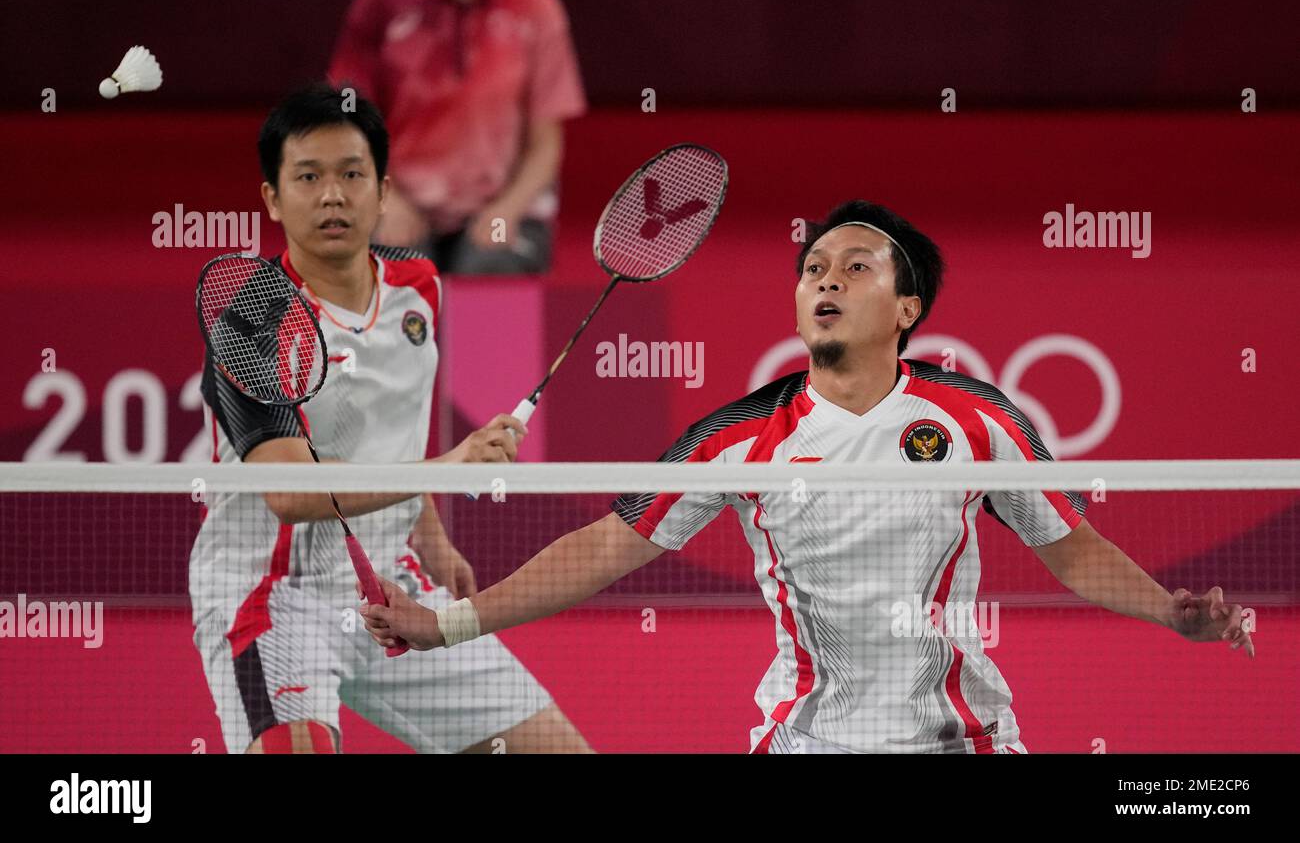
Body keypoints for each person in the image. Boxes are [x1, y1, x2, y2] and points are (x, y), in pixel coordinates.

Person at [358, 199, 1255, 754]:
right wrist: (451, 625)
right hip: (808, 739)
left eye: (855, 267)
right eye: (813, 268)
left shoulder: (978, 419)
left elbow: (1074, 551)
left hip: (965, 736)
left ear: (908, 309)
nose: (825, 280)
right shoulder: (737, 437)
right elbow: (604, 547)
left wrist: (1169, 612)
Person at [190, 83, 590, 753]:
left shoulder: (419, 287)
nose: (332, 196)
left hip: (390, 587)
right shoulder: (251, 324)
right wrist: (452, 465)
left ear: (383, 190)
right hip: (273, 597)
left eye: (351, 175)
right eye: (308, 177)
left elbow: (395, 431)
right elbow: (292, 494)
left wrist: (433, 541)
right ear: (272, 198)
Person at [328, 0, 586, 274]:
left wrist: (507, 210)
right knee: (397, 275)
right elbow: (350, 127)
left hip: (506, 207)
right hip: (397, 201)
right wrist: (388, 202)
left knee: (490, 271)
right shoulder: (379, 4)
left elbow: (546, 145)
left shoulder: (535, 5)